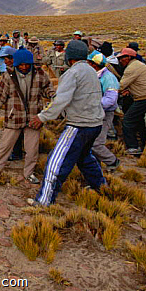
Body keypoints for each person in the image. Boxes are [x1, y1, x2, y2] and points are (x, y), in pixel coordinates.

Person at [27, 40, 106, 206]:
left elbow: (60, 101)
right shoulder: (92, 72)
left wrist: (42, 117)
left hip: (79, 125)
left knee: (56, 162)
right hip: (96, 123)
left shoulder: (72, 74)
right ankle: (102, 187)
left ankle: (44, 201)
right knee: (85, 157)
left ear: (69, 57)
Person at [0, 49, 55, 184]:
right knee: (5, 145)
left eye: (27, 64)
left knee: (32, 148)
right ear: (16, 64)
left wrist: (53, 95)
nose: (24, 67)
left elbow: (47, 89)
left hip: (34, 117)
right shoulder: (8, 76)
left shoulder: (40, 74)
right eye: (21, 65)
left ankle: (29, 173)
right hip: (14, 116)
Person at [117, 48, 146, 155]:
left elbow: (121, 85)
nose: (120, 60)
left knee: (128, 121)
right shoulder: (140, 65)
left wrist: (110, 90)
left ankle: (133, 147)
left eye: (122, 58)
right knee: (142, 122)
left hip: (143, 98)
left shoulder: (131, 68)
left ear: (128, 57)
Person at [86, 51, 120, 171]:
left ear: (94, 64)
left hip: (104, 114)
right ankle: (95, 164)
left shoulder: (108, 78)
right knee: (90, 140)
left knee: (96, 143)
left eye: (88, 62)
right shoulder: (96, 75)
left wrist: (93, 106)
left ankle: (112, 161)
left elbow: (110, 99)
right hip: (94, 113)